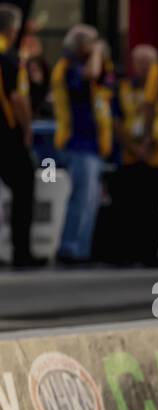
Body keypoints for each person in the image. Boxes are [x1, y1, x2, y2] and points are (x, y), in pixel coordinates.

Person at [51, 24, 111, 265]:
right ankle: (70, 248)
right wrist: (97, 51)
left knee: (91, 199)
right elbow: (91, 73)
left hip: (93, 144)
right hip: (77, 142)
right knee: (81, 198)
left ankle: (82, 248)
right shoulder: (69, 67)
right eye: (91, 43)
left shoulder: (84, 68)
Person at [114, 43, 158, 265]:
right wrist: (134, 148)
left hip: (156, 156)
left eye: (149, 63)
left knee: (152, 208)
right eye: (140, 63)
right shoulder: (122, 87)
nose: (145, 68)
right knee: (127, 208)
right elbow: (114, 120)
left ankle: (150, 254)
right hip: (129, 155)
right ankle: (126, 253)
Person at [0, 3, 42, 268]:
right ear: (13, 29)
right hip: (7, 134)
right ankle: (21, 252)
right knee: (24, 188)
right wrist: (27, 128)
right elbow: (17, 98)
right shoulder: (10, 59)